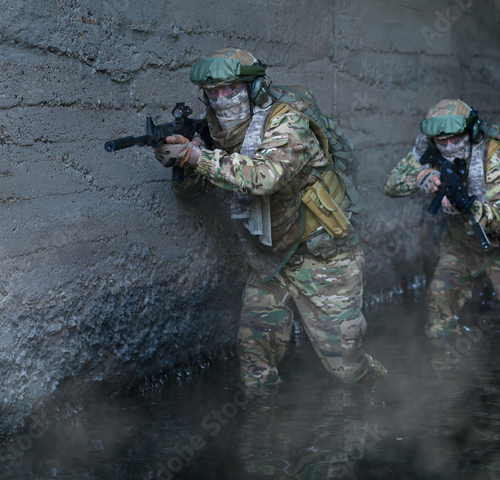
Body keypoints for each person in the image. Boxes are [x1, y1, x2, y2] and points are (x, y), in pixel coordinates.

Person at [153, 47, 386, 387]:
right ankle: (265, 432)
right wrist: (183, 164)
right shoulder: (217, 132)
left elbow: (265, 177)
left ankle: (385, 404)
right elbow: (189, 194)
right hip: (269, 263)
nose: (221, 99)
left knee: (347, 370)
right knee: (254, 357)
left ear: (254, 87)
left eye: (230, 89)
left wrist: (196, 157)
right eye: (212, 92)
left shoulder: (288, 119)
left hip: (322, 260)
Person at [383, 99, 500, 341]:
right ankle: (448, 370)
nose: (450, 145)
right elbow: (391, 185)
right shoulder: (428, 148)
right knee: (439, 304)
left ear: (470, 131)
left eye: (456, 137)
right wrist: (421, 176)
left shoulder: (497, 156)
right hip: (464, 244)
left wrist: (466, 206)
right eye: (443, 141)